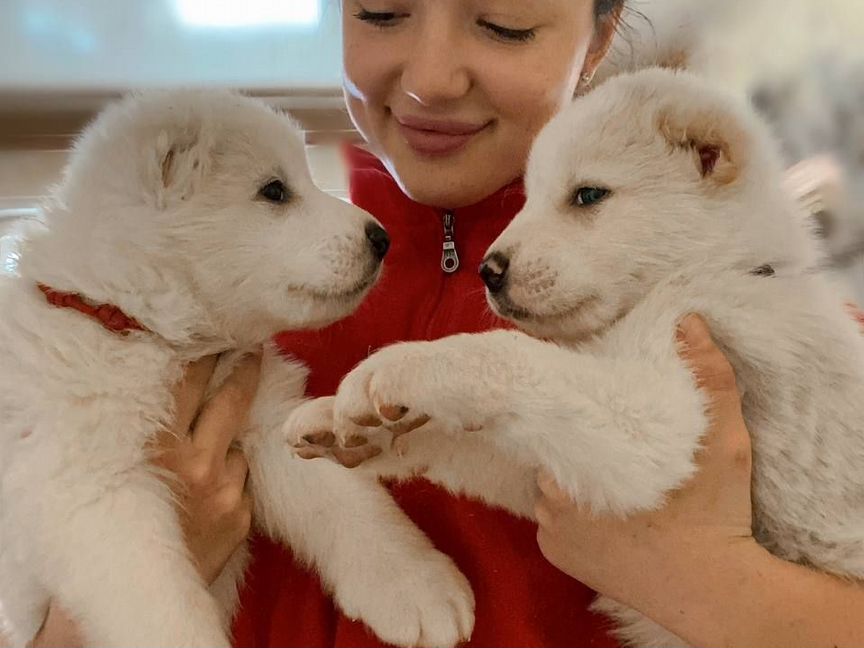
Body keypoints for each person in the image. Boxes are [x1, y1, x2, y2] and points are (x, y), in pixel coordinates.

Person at [23, 1, 864, 646]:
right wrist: (102, 593)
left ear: (597, 40)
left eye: (501, 24)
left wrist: (714, 582)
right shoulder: (230, 300)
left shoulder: (737, 307)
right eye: (381, 12)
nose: (429, 79)